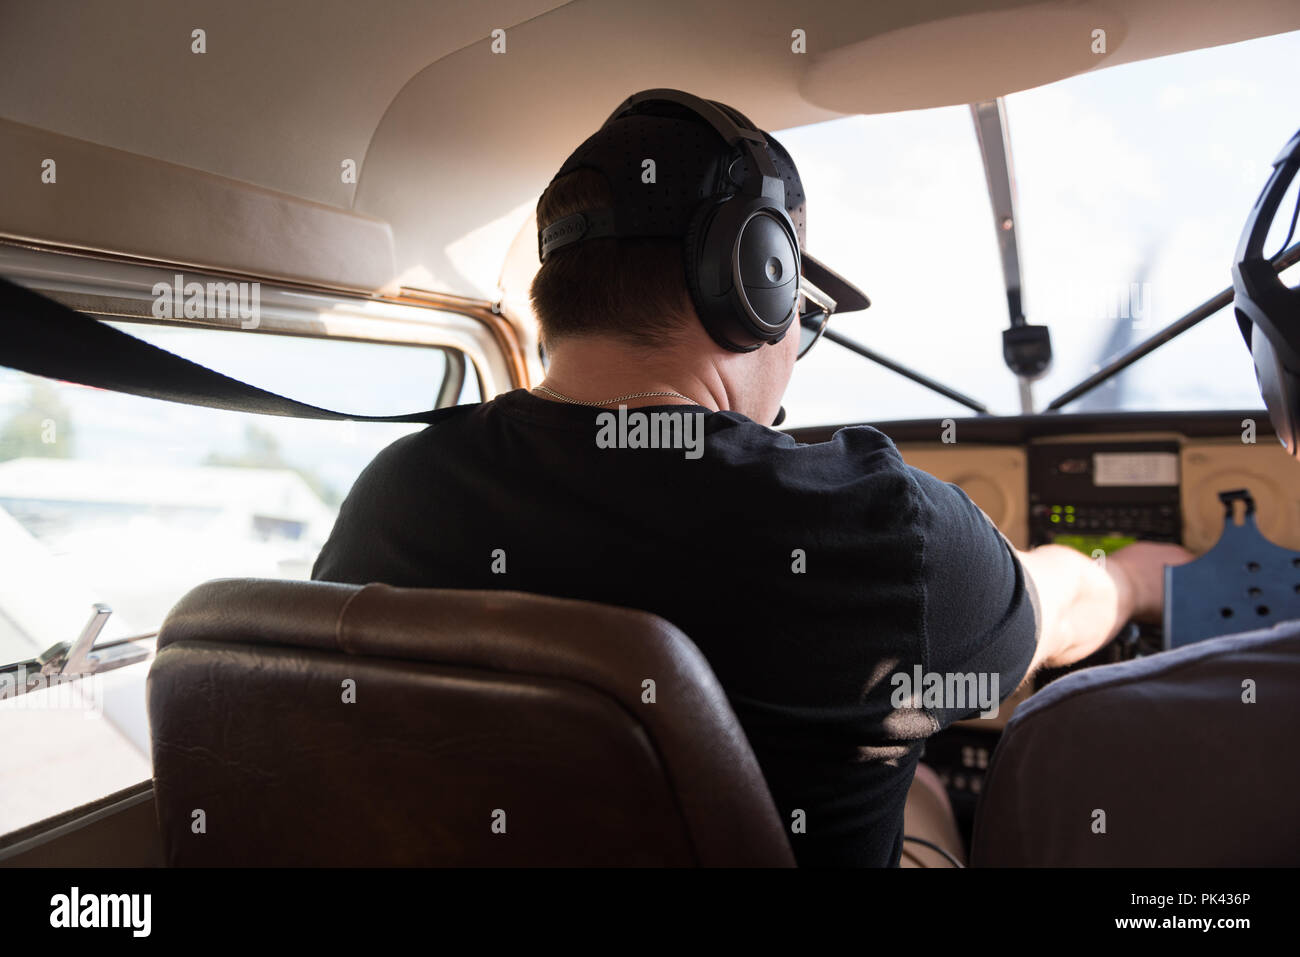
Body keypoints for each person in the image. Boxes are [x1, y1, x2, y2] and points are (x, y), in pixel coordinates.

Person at [312, 90, 1192, 866]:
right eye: (803, 316)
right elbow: (1061, 611)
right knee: (921, 787)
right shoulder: (878, 528)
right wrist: (1136, 576)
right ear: (758, 286)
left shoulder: (392, 496)